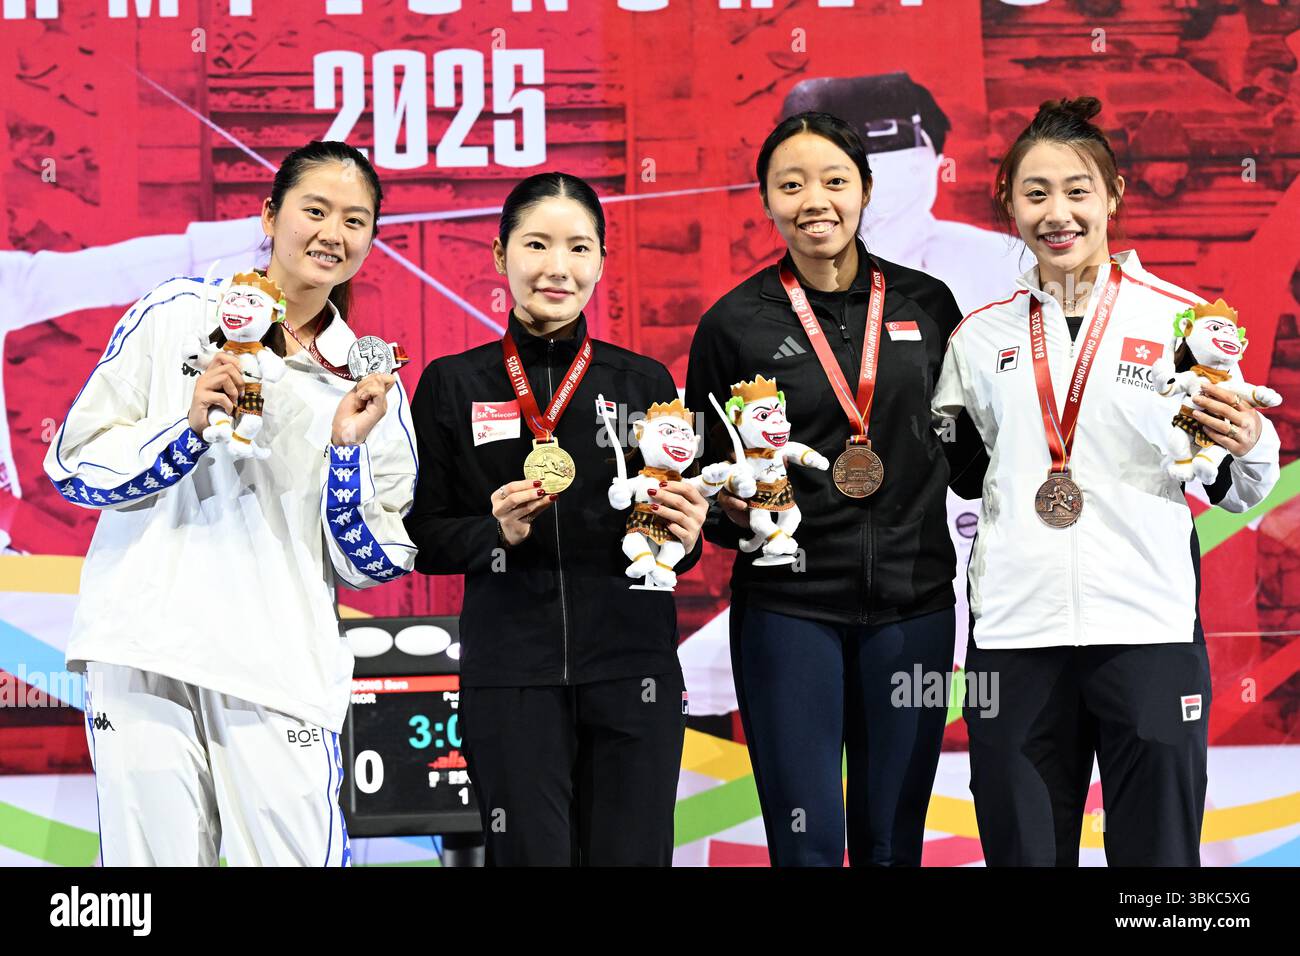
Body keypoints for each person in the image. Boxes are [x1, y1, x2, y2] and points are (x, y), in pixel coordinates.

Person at [44, 140, 417, 866]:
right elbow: (75, 464)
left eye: (356, 221)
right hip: (144, 647)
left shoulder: (368, 384)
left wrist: (344, 454)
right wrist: (184, 428)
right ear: (269, 214)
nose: (332, 234)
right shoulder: (176, 314)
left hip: (278, 666)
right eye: (314, 210)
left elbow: (378, 559)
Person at [932, 97, 1281, 866]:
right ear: (1009, 204)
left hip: (1148, 632)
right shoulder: (977, 339)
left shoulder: (1186, 323)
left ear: (1114, 195)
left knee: (1158, 868)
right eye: (1036, 193)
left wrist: (1253, 440)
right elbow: (963, 474)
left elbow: (1239, 488)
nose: (1058, 213)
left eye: (1078, 190)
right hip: (1016, 639)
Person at [685, 111, 985, 866]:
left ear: (866, 190)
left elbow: (970, 454)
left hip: (915, 609)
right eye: (791, 184)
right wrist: (725, 510)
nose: (814, 199)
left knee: (892, 846)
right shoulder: (734, 325)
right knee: (808, 845)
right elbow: (708, 479)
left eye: (835, 180)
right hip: (789, 614)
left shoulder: (928, 304)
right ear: (765, 200)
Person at [403, 172, 709, 866]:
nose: (557, 267)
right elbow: (420, 536)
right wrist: (493, 532)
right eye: (537, 244)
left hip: (634, 671)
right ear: (498, 253)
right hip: (512, 675)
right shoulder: (454, 383)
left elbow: (669, 541)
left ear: (602, 261)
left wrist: (685, 537)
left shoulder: (643, 384)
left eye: (578, 248)